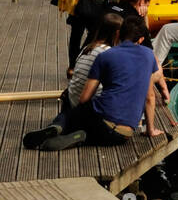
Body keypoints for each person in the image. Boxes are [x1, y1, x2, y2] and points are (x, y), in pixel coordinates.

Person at [32, 15, 165, 151]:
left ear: (119, 34)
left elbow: (84, 98)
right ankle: (83, 137)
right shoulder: (149, 55)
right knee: (100, 130)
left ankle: (60, 125)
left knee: (70, 113)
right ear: (141, 39)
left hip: (101, 118)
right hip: (124, 133)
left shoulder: (105, 56)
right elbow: (150, 97)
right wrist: (151, 130)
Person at [23, 13, 123, 148]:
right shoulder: (109, 53)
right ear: (116, 34)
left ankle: (57, 125)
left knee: (67, 114)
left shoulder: (87, 48)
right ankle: (78, 135)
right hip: (88, 105)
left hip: (72, 99)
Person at [116, 0, 170, 102]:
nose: (148, 6)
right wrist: (163, 85)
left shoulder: (115, 6)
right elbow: (149, 52)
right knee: (157, 69)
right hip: (121, 68)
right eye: (147, 3)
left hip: (104, 54)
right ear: (141, 2)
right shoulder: (135, 21)